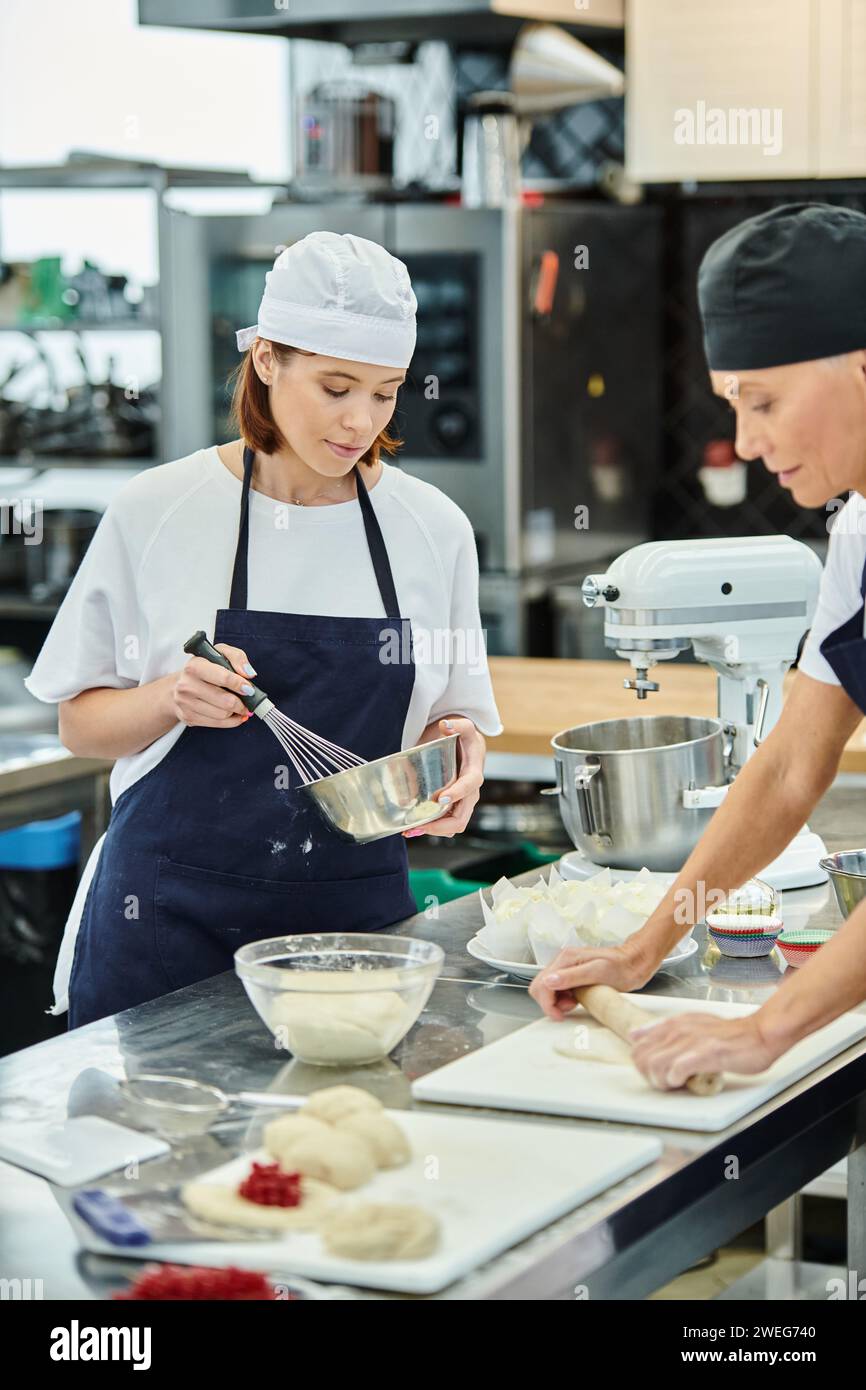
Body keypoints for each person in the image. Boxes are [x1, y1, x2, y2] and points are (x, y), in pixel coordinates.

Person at [26, 231, 502, 1028]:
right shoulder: (158, 510)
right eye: (337, 387)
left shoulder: (434, 528)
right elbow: (80, 723)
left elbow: (452, 719)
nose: (360, 422)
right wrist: (170, 698)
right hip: (166, 927)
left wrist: (461, 758)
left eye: (385, 393)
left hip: (356, 936)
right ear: (269, 360)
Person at [530, 203, 866, 1087]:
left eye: (765, 401)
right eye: (733, 405)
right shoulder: (858, 529)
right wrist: (645, 950)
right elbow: (793, 763)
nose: (749, 443)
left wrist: (763, 1032)